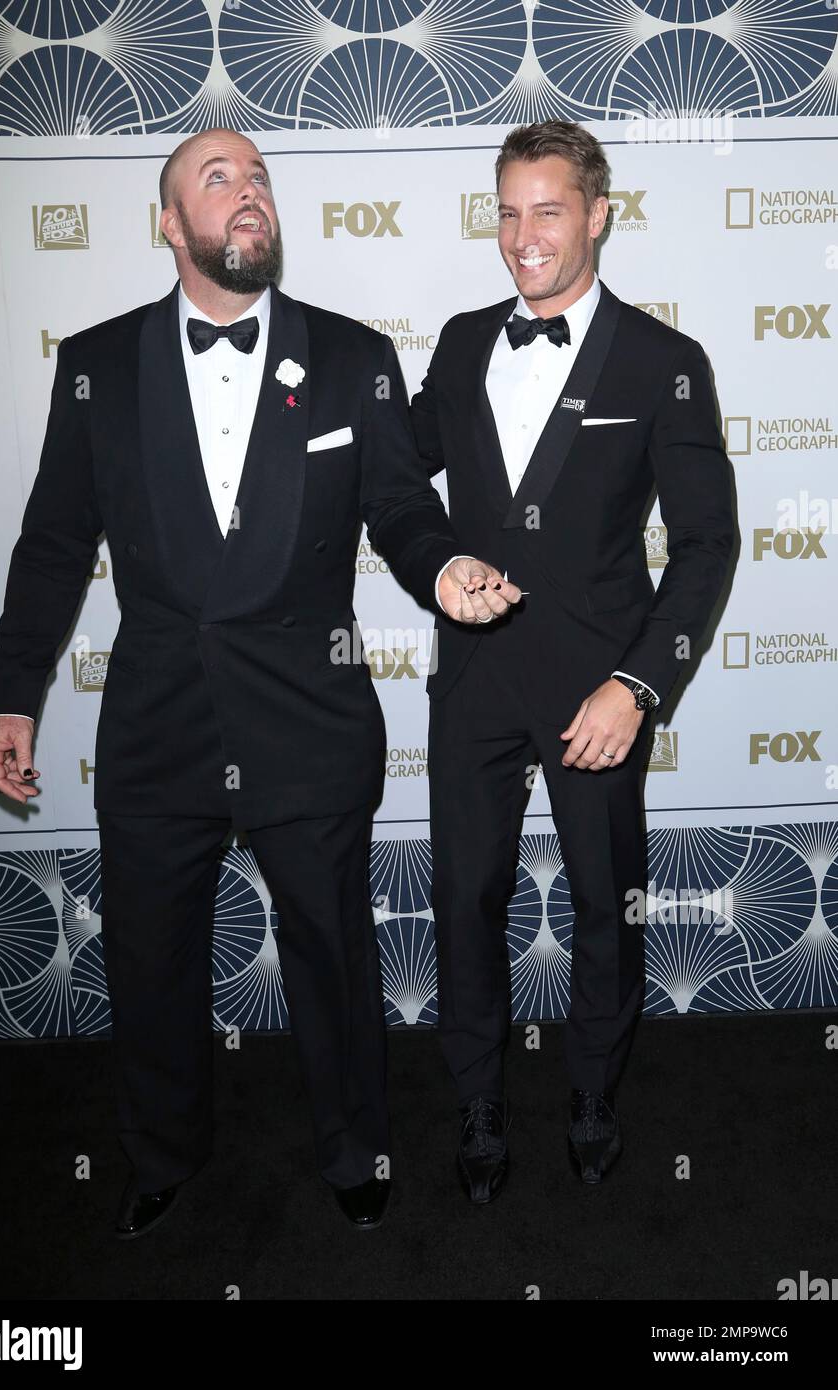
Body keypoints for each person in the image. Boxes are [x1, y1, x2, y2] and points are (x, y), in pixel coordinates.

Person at [0, 128, 519, 1238]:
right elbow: (50, 544)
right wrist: (13, 696)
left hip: (307, 720)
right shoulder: (95, 363)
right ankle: (162, 1150)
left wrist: (445, 567)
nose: (246, 193)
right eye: (215, 180)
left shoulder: (352, 356)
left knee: (331, 952)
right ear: (169, 226)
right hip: (157, 723)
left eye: (258, 177)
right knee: (151, 954)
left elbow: (403, 510)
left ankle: (354, 1146)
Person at [411, 120, 735, 1200]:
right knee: (465, 898)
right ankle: (477, 1098)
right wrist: (436, 558)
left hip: (598, 687)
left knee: (604, 899)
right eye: (507, 211)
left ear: (599, 212)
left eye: (547, 210)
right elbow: (396, 487)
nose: (523, 235)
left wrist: (637, 686)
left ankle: (593, 1088)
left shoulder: (661, 362)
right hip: (471, 680)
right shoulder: (459, 345)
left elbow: (706, 545)